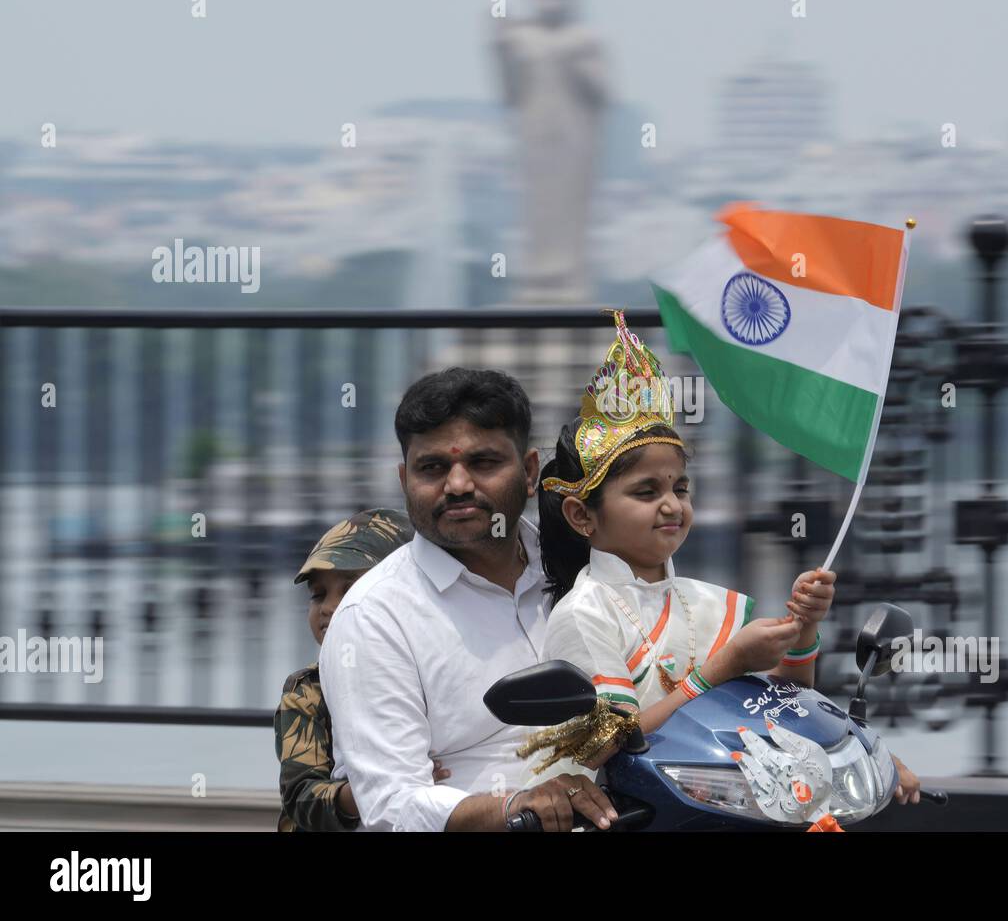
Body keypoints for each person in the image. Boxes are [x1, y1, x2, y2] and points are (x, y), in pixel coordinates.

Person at [537, 311, 922, 803]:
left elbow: (780, 701)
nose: (672, 505)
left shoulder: (709, 602)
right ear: (581, 515)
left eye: (680, 487)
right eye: (645, 491)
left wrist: (803, 629)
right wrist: (718, 670)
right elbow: (604, 746)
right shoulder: (585, 612)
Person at [318, 368, 621, 831]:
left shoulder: (584, 572)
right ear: (404, 480)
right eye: (432, 468)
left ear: (529, 471)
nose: (457, 485)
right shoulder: (374, 617)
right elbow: (390, 807)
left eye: (483, 462)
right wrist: (514, 805)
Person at [274, 507, 449, 832]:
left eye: (350, 589)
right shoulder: (308, 690)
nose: (327, 607)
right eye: (318, 595)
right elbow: (300, 797)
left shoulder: (434, 673)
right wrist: (378, 789)